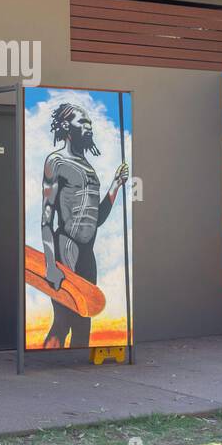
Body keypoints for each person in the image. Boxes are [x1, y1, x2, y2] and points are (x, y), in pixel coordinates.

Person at [40, 103, 128, 348]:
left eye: (90, 122)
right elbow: (46, 218)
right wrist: (50, 265)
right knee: (63, 321)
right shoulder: (56, 161)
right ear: (66, 126)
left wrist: (115, 185)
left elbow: (96, 219)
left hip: (88, 254)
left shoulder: (89, 168)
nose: (88, 126)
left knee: (83, 322)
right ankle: (49, 359)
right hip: (65, 248)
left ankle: (77, 363)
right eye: (82, 122)